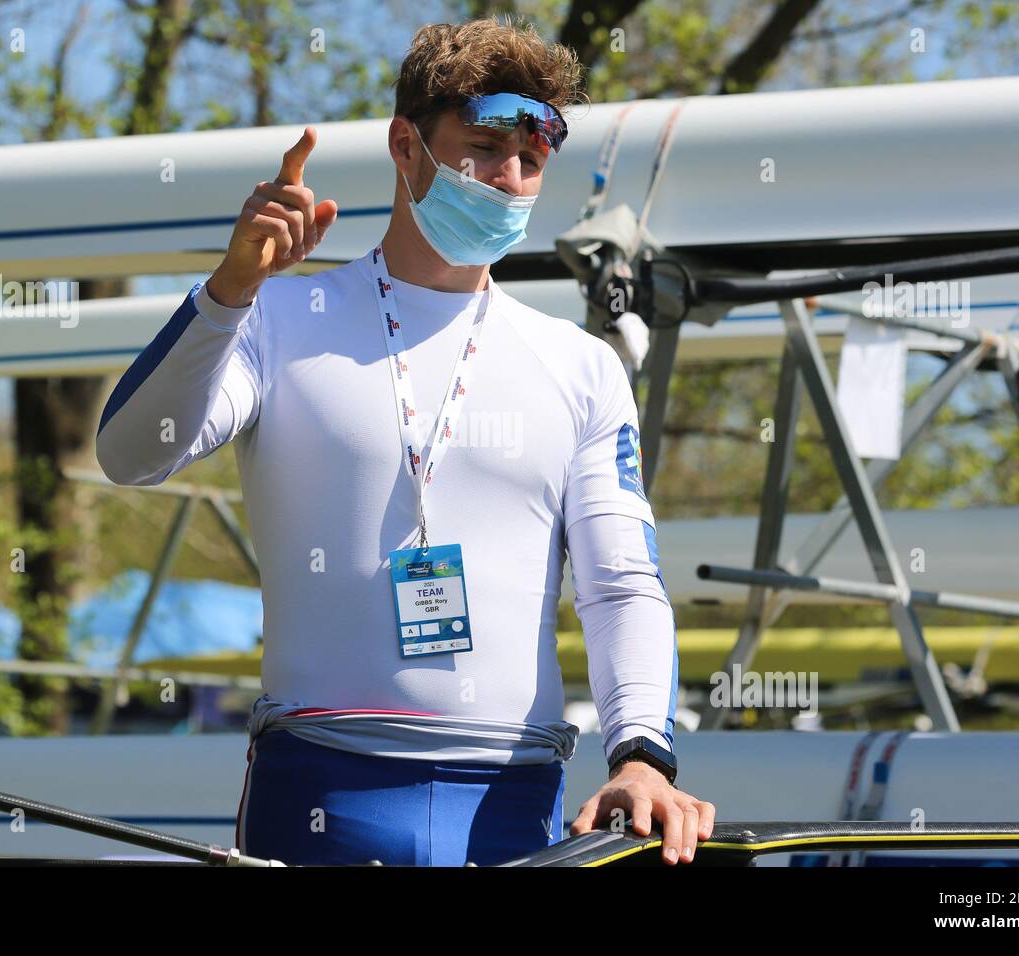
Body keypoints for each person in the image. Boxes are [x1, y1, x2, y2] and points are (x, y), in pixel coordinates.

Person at [96, 17, 714, 866]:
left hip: (513, 799)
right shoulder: (279, 318)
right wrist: (231, 286)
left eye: (531, 161)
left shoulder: (582, 367)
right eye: (483, 146)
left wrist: (642, 754)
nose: (507, 179)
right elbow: (131, 454)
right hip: (319, 791)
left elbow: (620, 586)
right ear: (405, 145)